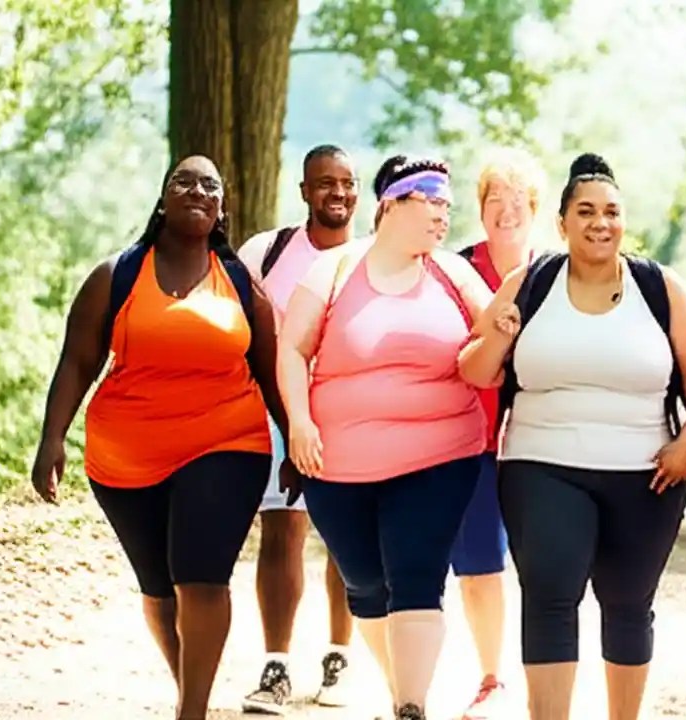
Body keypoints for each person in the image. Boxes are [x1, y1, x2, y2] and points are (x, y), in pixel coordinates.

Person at [458, 153, 686, 720]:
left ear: (624, 222)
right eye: (585, 211)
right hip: (540, 466)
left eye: (611, 212)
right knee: (551, 598)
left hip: (647, 473)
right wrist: (500, 335)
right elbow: (475, 371)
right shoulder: (530, 282)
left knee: (628, 606)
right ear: (562, 223)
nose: (600, 222)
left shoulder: (661, 287)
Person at [30, 155, 289, 720]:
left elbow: (270, 372)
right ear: (163, 199)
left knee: (201, 574)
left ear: (222, 208)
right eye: (183, 181)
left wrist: (295, 442)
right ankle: (188, 691)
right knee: (159, 587)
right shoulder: (116, 275)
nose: (197, 190)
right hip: (126, 456)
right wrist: (53, 438)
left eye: (210, 185)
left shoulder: (241, 284)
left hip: (228, 440)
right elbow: (78, 361)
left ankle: (191, 711)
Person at [277, 154, 493, 720]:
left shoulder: (453, 274)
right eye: (432, 202)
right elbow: (292, 350)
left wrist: (500, 333)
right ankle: (403, 688)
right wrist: (299, 422)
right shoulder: (336, 269)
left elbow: (488, 351)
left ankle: (411, 706)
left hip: (440, 457)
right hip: (337, 463)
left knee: (417, 574)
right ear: (391, 204)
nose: (444, 215)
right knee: (366, 584)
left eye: (448, 204)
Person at [236, 145, 357, 714]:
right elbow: (238, 331)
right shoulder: (269, 251)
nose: (337, 193)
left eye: (347, 183)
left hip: (354, 414)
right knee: (281, 529)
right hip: (280, 412)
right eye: (324, 183)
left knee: (345, 540)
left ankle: (339, 658)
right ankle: (276, 667)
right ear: (304, 191)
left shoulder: (372, 257)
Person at [450, 147, 547, 719]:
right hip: (473, 441)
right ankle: (492, 679)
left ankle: (543, 673)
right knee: (480, 566)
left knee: (544, 567)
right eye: (494, 200)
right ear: (480, 208)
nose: (505, 211)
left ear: (533, 210)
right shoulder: (459, 268)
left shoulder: (556, 273)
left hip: (540, 444)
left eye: (517, 201)